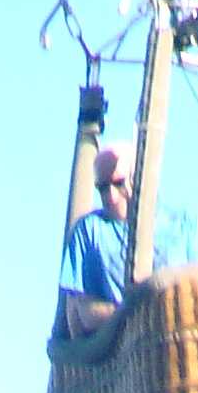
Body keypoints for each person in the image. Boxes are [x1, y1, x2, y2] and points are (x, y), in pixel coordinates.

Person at [57, 141, 133, 336]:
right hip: (116, 348)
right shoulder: (89, 229)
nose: (111, 196)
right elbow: (77, 309)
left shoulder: (183, 228)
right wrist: (128, 314)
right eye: (103, 188)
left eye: (118, 184)